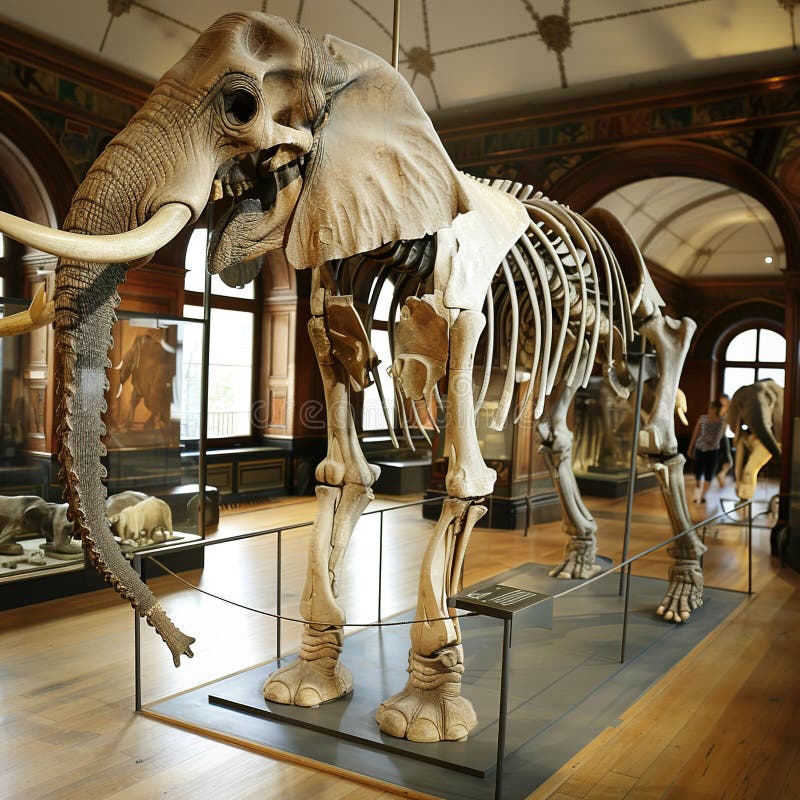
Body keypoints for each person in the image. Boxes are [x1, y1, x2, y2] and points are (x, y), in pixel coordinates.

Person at [688, 400, 725, 503]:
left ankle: (702, 496)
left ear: (716, 409)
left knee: (709, 475)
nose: (710, 409)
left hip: (713, 451)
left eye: (711, 407)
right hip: (701, 448)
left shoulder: (722, 420)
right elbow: (696, 433)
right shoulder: (703, 418)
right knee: (698, 473)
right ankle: (698, 495)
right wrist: (691, 448)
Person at [716, 393, 733, 486]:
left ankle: (721, 475)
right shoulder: (726, 410)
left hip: (720, 437)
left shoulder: (723, 410)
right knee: (729, 461)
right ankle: (721, 475)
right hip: (721, 437)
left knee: (726, 460)